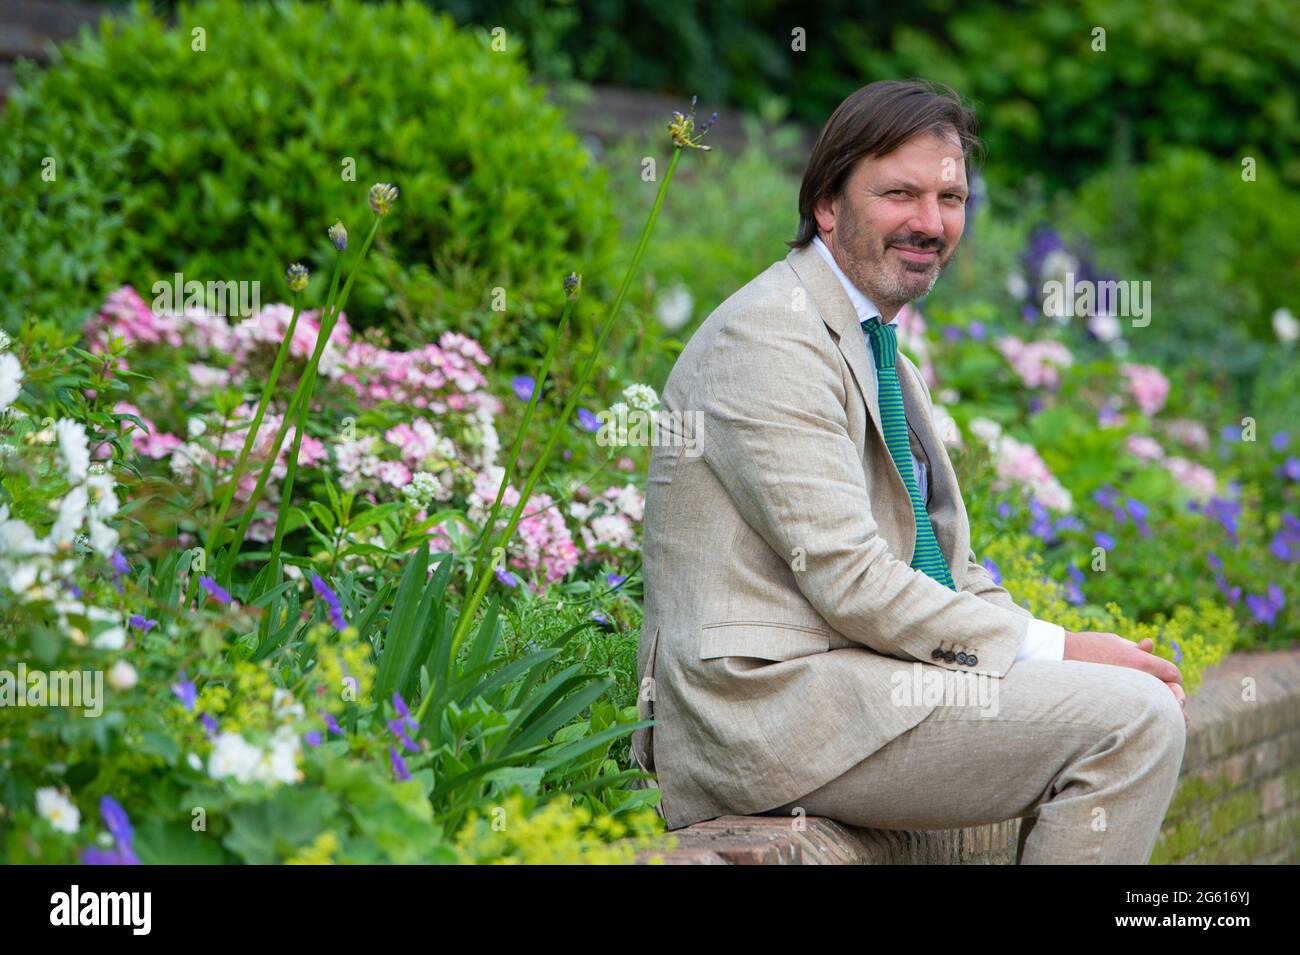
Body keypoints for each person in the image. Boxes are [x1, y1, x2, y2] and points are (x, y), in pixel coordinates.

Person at [632, 79, 1187, 864]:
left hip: (848, 685)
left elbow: (944, 568)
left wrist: (1075, 645)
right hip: (765, 711)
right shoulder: (769, 338)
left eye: (949, 196)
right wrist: (1059, 650)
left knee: (1134, 699)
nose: (931, 222)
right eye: (899, 193)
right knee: (1132, 723)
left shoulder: (870, 339)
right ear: (828, 203)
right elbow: (849, 575)